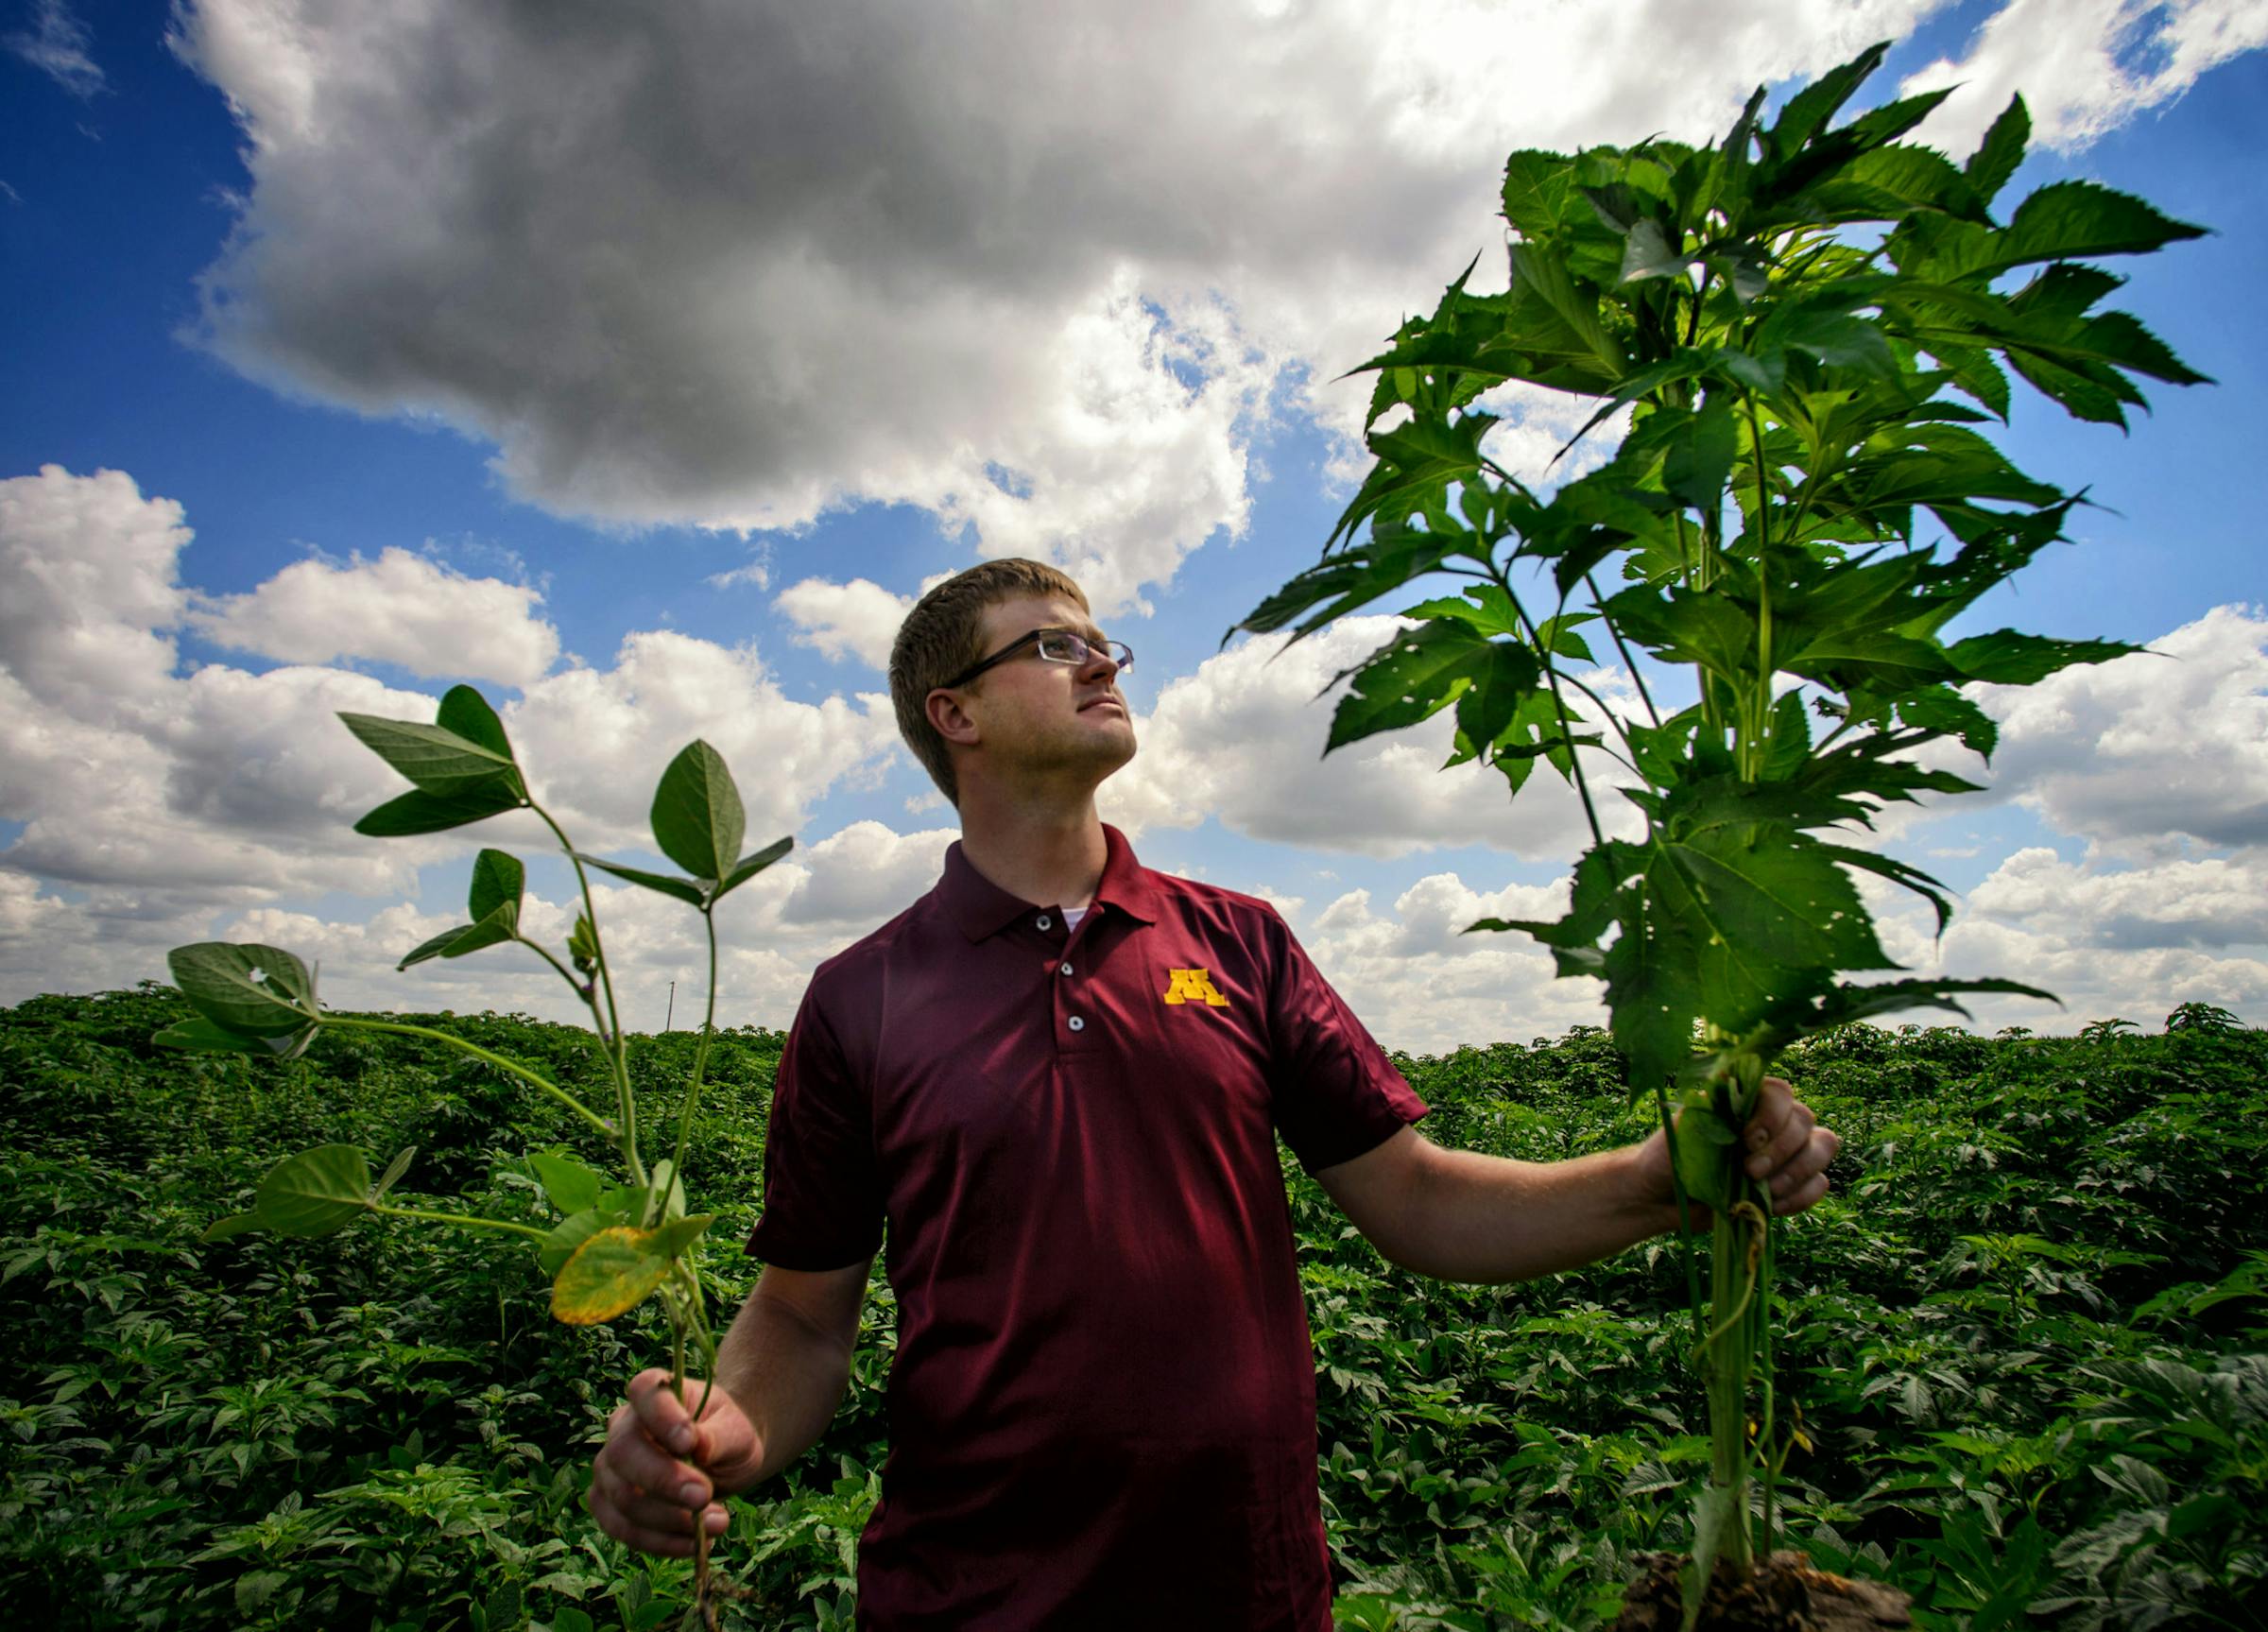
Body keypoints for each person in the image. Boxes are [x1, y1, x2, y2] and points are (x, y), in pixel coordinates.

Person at [586, 559, 1841, 1628]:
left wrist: (1646, 1177)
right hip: (968, 1595)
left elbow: (1418, 1202)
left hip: (1247, 1585)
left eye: (1103, 640)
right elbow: (806, 1318)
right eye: (1054, 643)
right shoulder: (858, 997)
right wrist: (725, 1432)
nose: (1102, 662)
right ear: (952, 713)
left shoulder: (1238, 942)